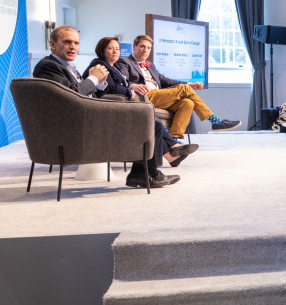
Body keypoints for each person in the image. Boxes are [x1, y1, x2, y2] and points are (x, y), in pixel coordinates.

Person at [33, 26, 179, 189]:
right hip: (77, 125)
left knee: (151, 120)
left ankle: (145, 174)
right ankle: (146, 175)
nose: (73, 47)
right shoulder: (48, 66)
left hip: (89, 116)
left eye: (76, 43)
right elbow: (70, 96)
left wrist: (99, 83)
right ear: (52, 44)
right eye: (67, 42)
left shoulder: (68, 66)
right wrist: (94, 79)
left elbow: (84, 93)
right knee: (150, 121)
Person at [85, 36, 196, 168]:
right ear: (102, 50)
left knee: (165, 113)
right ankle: (173, 147)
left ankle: (171, 155)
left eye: (117, 49)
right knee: (150, 118)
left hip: (124, 104)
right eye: (110, 48)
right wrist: (129, 90)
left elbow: (163, 80)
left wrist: (128, 89)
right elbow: (110, 87)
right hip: (110, 107)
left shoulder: (112, 67)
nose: (115, 52)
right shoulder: (99, 64)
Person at [117, 34, 240, 138]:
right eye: (142, 46)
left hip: (159, 96)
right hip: (144, 96)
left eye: (148, 48)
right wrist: (133, 86)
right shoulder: (125, 61)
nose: (145, 50)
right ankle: (215, 121)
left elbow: (165, 80)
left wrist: (190, 84)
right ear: (134, 47)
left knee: (188, 103)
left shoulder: (150, 65)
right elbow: (123, 80)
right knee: (185, 89)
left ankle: (174, 141)